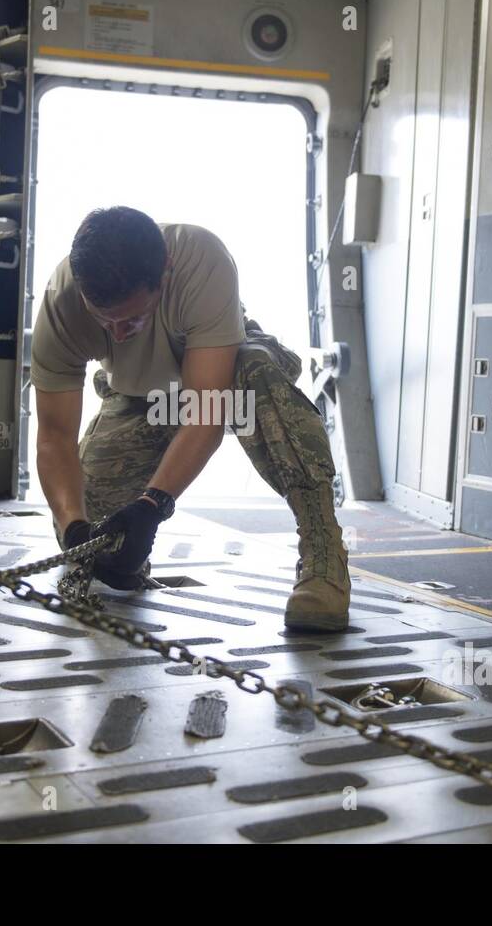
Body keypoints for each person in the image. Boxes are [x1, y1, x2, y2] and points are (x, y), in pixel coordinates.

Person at [30, 206, 350, 631]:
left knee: (256, 371)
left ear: (166, 269)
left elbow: (207, 411)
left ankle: (323, 557)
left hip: (216, 378)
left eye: (133, 318)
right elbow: (54, 438)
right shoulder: (62, 304)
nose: (119, 333)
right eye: (104, 321)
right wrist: (74, 531)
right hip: (138, 396)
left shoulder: (202, 259)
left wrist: (152, 504)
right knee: (91, 527)